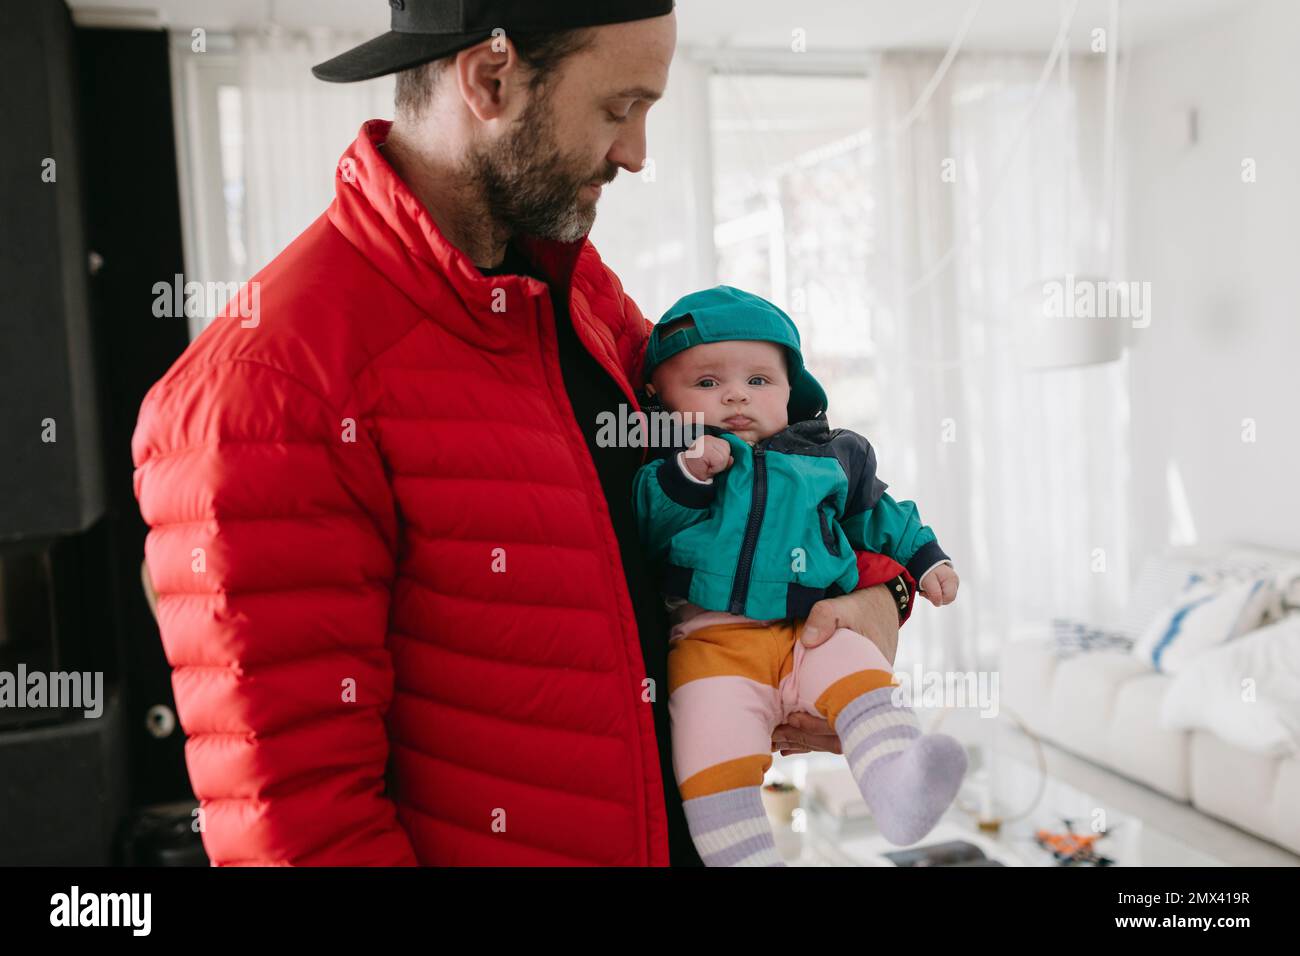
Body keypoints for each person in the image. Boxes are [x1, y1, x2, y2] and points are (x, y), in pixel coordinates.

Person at [132, 0, 917, 866]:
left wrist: (884, 592)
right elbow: (300, 829)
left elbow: (757, 479)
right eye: (619, 109)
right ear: (490, 78)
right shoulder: (265, 391)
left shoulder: (579, 298)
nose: (636, 154)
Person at [632, 286, 965, 864]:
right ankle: (744, 855)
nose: (736, 394)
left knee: (863, 682)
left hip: (810, 631)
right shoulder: (669, 467)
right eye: (707, 384)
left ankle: (896, 785)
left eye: (759, 381)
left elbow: (881, 516)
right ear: (660, 399)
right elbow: (645, 525)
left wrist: (926, 557)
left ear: (792, 392)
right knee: (712, 748)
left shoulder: (828, 457)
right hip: (712, 643)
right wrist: (685, 476)